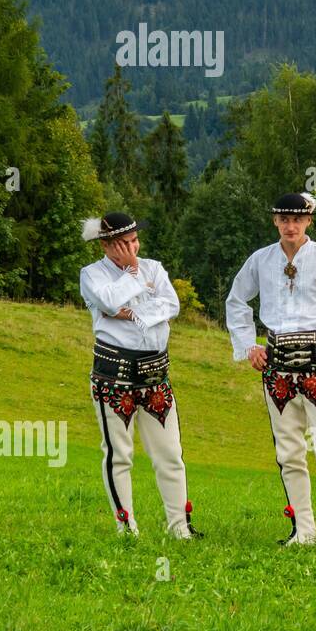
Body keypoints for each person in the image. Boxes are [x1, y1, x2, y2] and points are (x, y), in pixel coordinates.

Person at [226, 192, 316, 546]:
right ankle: (304, 531)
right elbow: (237, 300)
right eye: (284, 219)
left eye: (297, 219)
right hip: (277, 367)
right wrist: (248, 345)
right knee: (288, 453)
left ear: (309, 221)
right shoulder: (260, 260)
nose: (290, 225)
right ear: (274, 221)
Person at [79, 212, 197, 538]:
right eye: (123, 244)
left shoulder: (155, 268)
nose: (132, 249)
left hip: (155, 373)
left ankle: (180, 528)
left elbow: (170, 305)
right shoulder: (91, 275)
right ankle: (126, 528)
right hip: (114, 373)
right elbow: (108, 300)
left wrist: (129, 312)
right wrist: (131, 276)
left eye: (134, 242)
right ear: (106, 246)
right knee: (120, 455)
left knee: (170, 454)